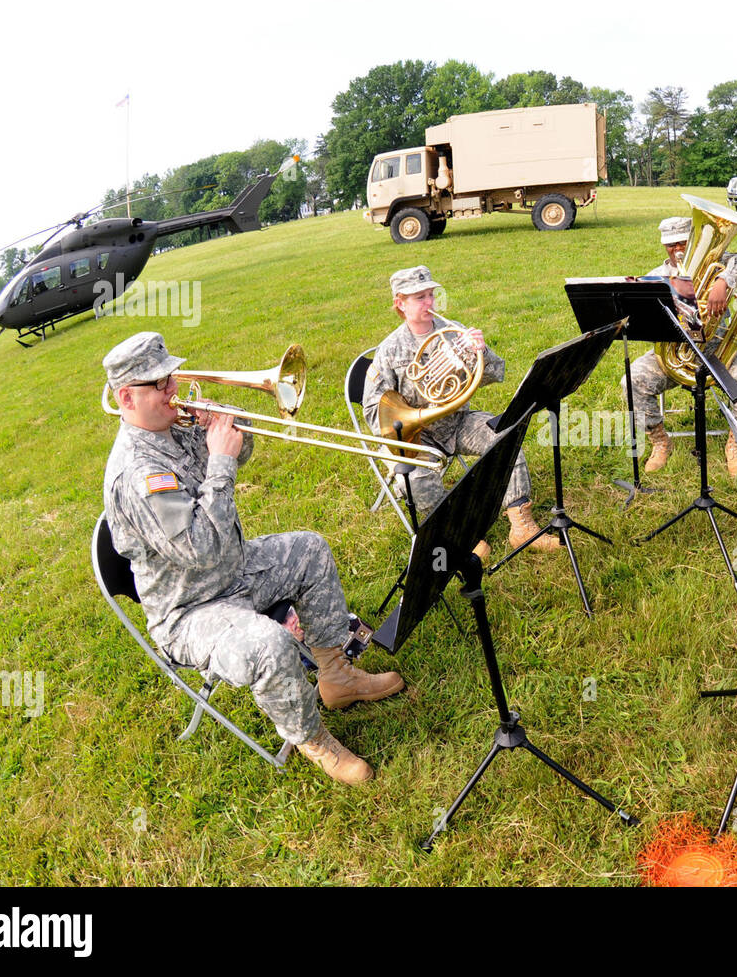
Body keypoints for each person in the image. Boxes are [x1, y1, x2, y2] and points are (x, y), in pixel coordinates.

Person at [102, 332, 404, 785]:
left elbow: (240, 455)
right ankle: (313, 740)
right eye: (160, 384)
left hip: (231, 571)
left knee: (310, 551)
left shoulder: (169, 428)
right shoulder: (137, 473)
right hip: (190, 610)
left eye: (171, 377)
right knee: (268, 644)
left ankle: (336, 677)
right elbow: (200, 549)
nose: (174, 389)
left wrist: (223, 432)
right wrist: (219, 463)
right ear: (127, 396)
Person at [362, 265, 558, 556]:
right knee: (414, 479)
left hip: (459, 421)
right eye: (420, 297)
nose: (430, 302)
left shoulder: (453, 332)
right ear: (400, 304)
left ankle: (522, 524)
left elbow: (495, 373)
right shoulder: (390, 349)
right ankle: (458, 534)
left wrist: (481, 351)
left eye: (431, 294)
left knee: (507, 434)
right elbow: (372, 410)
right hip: (419, 435)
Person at [628, 215, 737, 478]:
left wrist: (723, 281)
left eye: (682, 242)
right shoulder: (658, 276)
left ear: (691, 240)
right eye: (671, 245)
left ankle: (736, 444)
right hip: (673, 355)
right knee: (632, 380)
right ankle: (660, 440)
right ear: (664, 246)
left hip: (718, 351)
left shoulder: (720, 263)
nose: (677, 249)